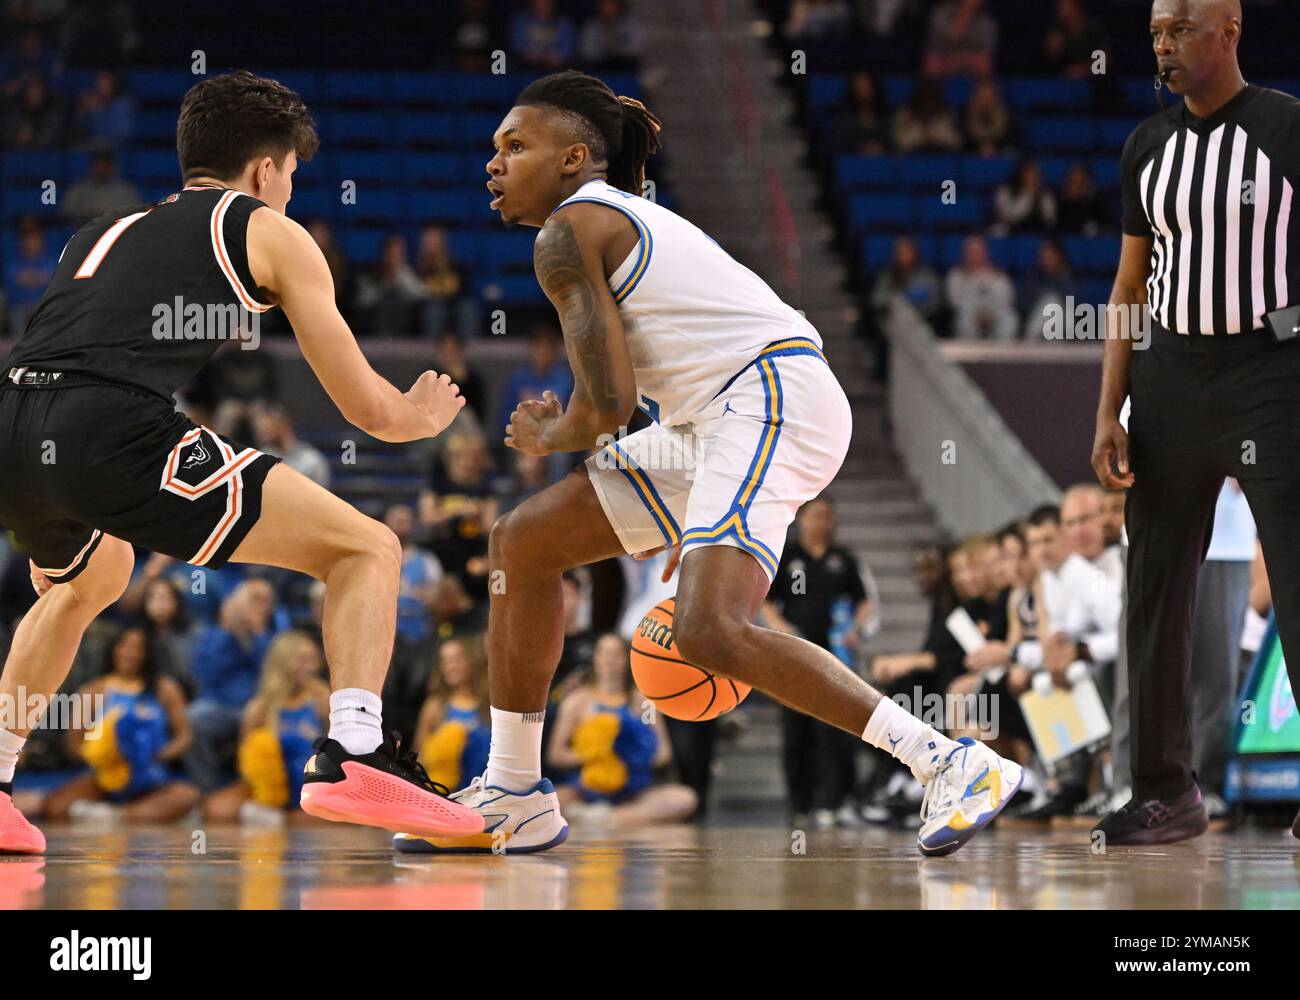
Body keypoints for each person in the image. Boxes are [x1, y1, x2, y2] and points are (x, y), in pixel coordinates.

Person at [398, 70, 1022, 858]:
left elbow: (603, 406)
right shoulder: (617, 222)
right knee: (523, 544)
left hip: (769, 394)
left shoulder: (570, 230)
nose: (494, 163)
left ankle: (950, 760)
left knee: (709, 631)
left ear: (573, 158)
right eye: (494, 149)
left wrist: (551, 434)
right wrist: (670, 501)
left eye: (515, 145)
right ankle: (515, 792)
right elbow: (631, 405)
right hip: (711, 415)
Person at [0, 71, 479, 855]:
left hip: (13, 425)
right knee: (367, 547)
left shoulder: (99, 233)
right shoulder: (266, 227)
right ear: (266, 169)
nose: (290, 190)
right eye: (291, 173)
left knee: (92, 578)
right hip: (105, 423)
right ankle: (354, 750)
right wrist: (419, 417)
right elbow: (365, 409)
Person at [1092, 0, 1300, 844]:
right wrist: (1110, 406)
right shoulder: (1146, 146)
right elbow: (1129, 288)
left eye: (1179, 30)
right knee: (1153, 591)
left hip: (1272, 369)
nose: (1163, 47)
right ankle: (1165, 790)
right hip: (1170, 377)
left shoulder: (1287, 128)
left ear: (1229, 32)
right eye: (1154, 34)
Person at [763, 496, 873, 827]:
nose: (822, 521)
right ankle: (801, 804)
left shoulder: (843, 559)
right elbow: (767, 601)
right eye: (816, 515)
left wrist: (855, 628)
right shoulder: (788, 556)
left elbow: (863, 601)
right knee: (796, 729)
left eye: (828, 515)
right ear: (802, 519)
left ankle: (835, 800)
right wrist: (781, 629)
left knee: (835, 729)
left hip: (836, 658)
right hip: (796, 655)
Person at [42, 625, 200, 824]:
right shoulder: (92, 691)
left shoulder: (165, 688)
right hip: (104, 776)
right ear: (114, 649)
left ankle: (117, 815)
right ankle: (134, 815)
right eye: (124, 646)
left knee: (188, 796)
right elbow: (73, 744)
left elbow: (185, 735)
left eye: (138, 648)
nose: (130, 653)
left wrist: (158, 754)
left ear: (148, 654)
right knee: (56, 806)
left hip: (151, 777)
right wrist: (103, 754)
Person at [202, 630, 330, 825]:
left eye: (313, 660)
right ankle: (279, 817)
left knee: (346, 810)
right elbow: (245, 764)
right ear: (283, 661)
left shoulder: (322, 699)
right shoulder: (258, 708)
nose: (311, 668)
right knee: (216, 809)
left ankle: (281, 820)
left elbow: (336, 754)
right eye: (303, 660)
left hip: (311, 785)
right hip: (271, 789)